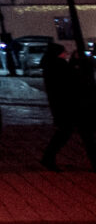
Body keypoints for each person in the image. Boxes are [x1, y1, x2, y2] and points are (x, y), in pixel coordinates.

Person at [40, 37, 95, 171]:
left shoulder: (52, 66)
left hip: (65, 107)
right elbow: (75, 81)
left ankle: (48, 157)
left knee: (66, 134)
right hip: (73, 106)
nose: (66, 53)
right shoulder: (59, 66)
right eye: (64, 52)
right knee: (86, 135)